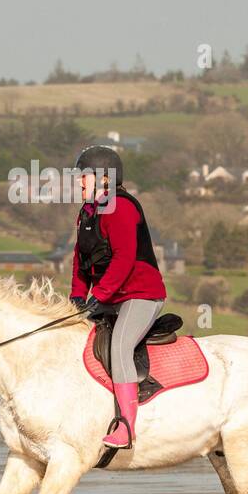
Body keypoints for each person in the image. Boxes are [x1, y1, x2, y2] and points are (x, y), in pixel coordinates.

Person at [69, 145, 167, 450]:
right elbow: (80, 259)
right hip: (110, 297)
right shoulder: (87, 213)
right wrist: (75, 297)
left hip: (141, 294)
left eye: (83, 177)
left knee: (120, 346)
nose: (78, 182)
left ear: (103, 179)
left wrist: (98, 295)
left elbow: (123, 259)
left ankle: (126, 426)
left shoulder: (120, 208)